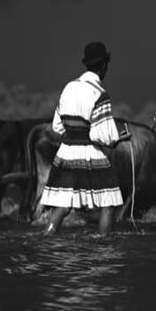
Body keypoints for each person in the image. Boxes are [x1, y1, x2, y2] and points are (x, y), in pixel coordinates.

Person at [40, 41, 131, 236]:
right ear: (104, 66)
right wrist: (118, 138)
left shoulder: (69, 87)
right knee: (108, 202)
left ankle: (46, 237)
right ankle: (103, 244)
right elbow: (102, 135)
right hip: (90, 153)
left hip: (66, 152)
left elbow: (57, 126)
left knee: (63, 205)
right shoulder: (100, 94)